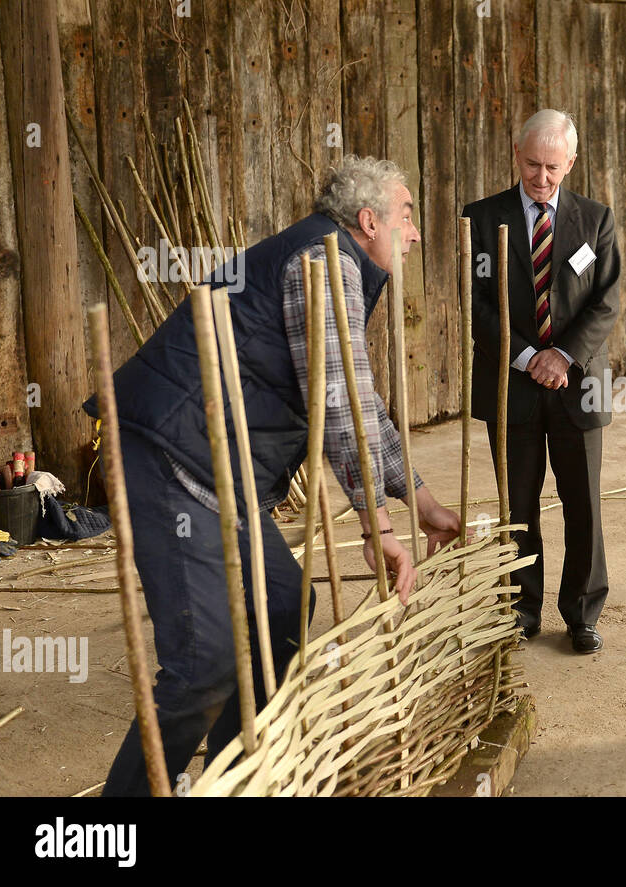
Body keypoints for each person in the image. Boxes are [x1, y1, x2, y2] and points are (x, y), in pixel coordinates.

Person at [88, 155, 462, 796]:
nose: (416, 233)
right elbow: (339, 401)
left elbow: (361, 403)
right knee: (206, 658)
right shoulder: (324, 262)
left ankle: (235, 780)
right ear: (367, 221)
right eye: (406, 216)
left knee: (283, 606)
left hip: (217, 469)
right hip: (173, 456)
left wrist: (417, 494)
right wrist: (378, 523)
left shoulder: (332, 259)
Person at [462, 110, 621, 654]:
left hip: (577, 385)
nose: (542, 178)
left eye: (554, 167)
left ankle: (582, 614)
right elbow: (475, 301)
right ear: (516, 152)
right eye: (533, 164)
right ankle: (520, 609)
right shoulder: (482, 220)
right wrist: (528, 355)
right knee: (517, 505)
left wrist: (564, 357)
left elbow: (606, 302)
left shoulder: (596, 220)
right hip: (514, 383)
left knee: (584, 505)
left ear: (571, 163)